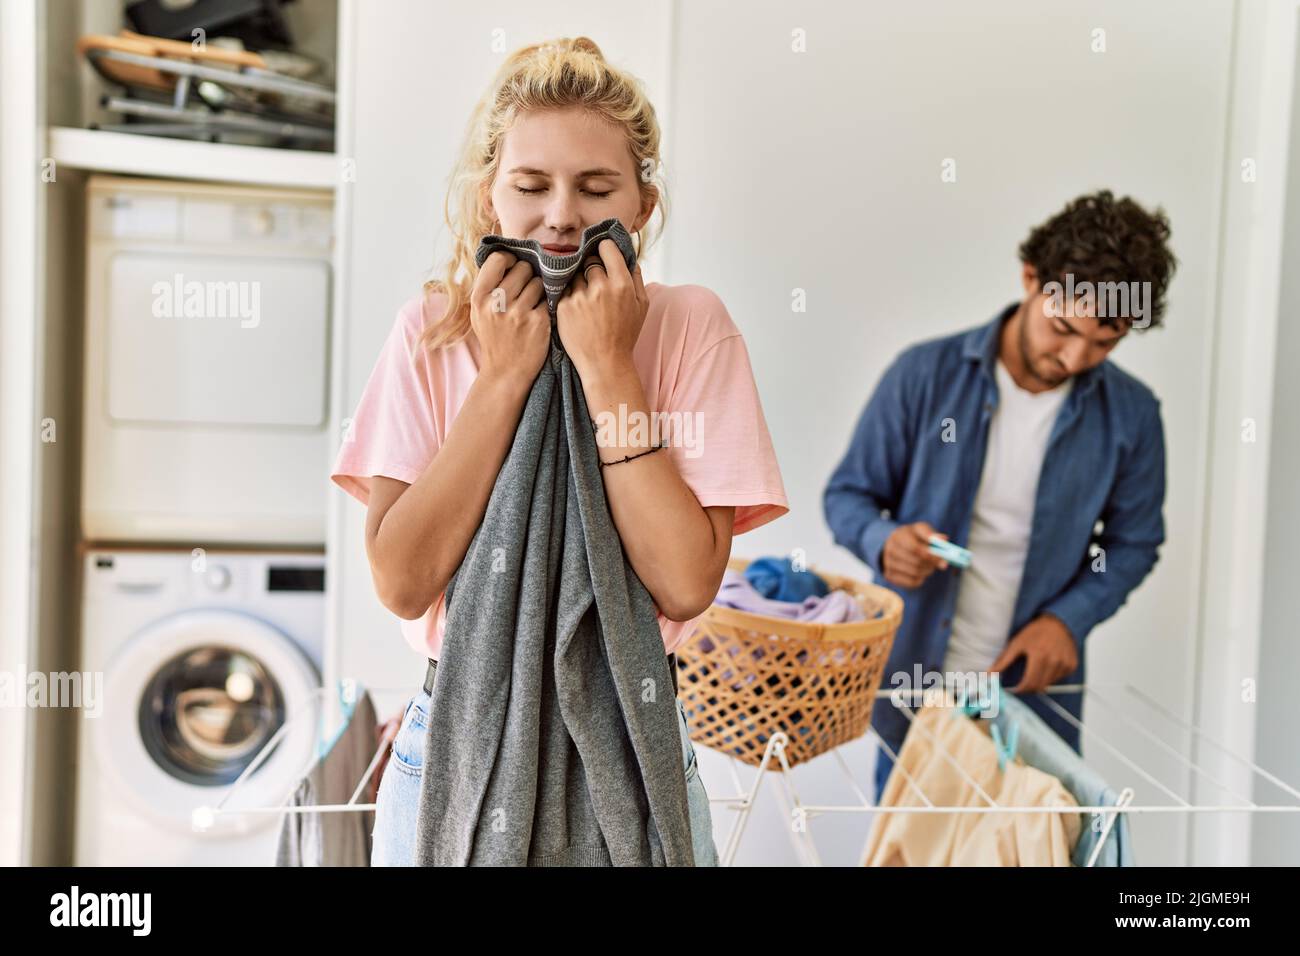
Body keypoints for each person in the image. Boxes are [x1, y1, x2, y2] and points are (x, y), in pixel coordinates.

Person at [331, 37, 789, 865]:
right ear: (488, 199)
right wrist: (504, 378)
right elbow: (403, 581)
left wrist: (609, 365)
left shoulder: (691, 327)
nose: (562, 214)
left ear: (643, 202)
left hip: (634, 730)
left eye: (597, 186)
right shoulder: (432, 331)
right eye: (531, 185)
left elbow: (684, 583)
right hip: (456, 740)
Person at [823, 190, 1176, 803]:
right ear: (1031, 278)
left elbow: (1134, 543)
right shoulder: (923, 375)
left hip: (1036, 698)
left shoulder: (1134, 415)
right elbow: (848, 495)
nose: (1074, 358)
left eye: (1105, 341)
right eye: (1063, 328)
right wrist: (885, 544)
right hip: (915, 689)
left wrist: (1068, 622)